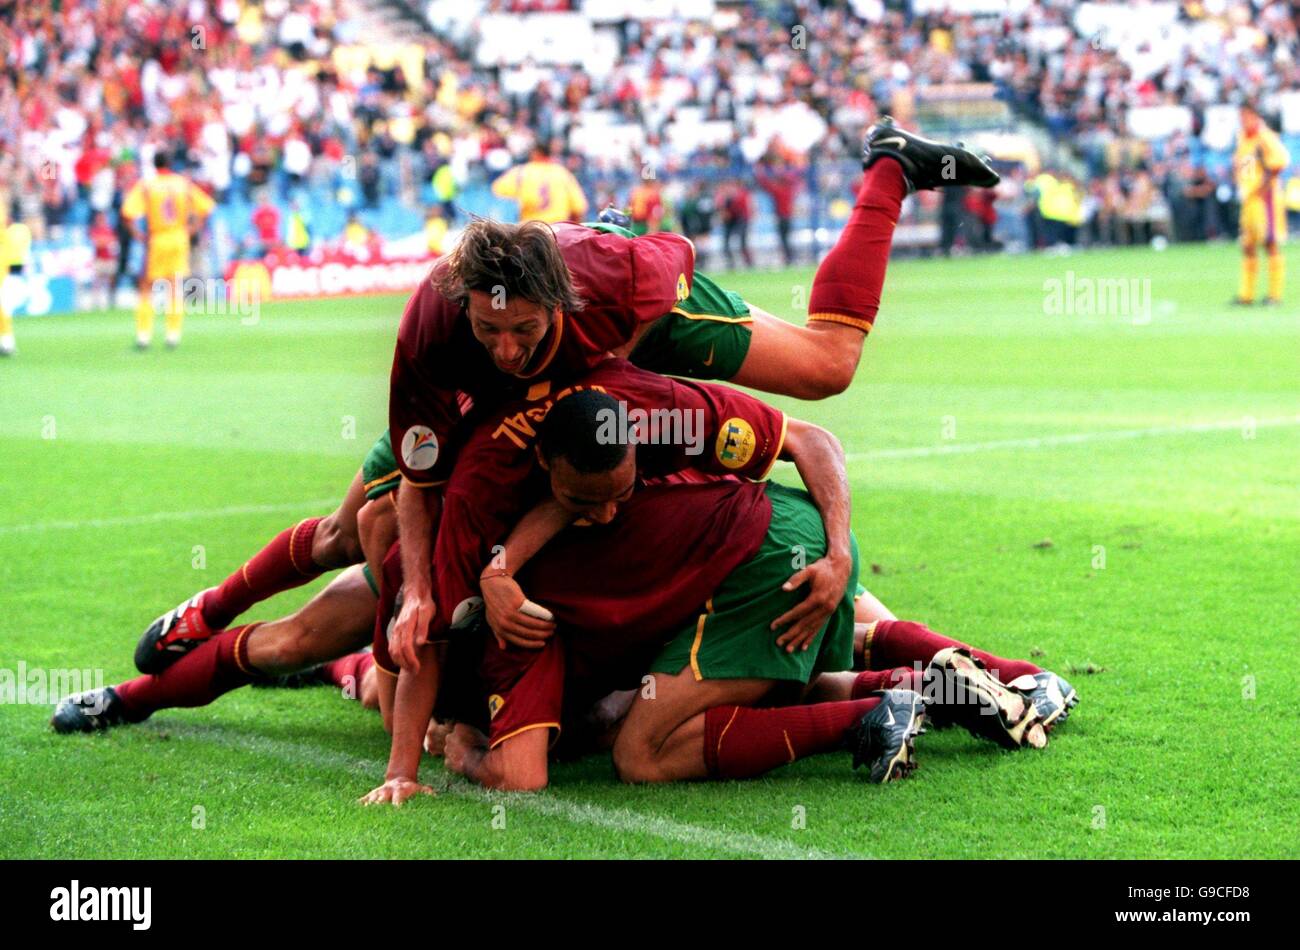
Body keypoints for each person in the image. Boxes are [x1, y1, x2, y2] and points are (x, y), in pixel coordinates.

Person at [121, 152, 215, 349]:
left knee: (146, 286)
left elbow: (127, 213)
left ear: (154, 165)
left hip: (158, 237)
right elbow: (206, 207)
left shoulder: (147, 185)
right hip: (179, 237)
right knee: (174, 287)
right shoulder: (183, 183)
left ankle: (143, 336)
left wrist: (138, 235)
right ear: (171, 164)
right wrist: (193, 228)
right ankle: (173, 335)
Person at [1232, 103, 1291, 306]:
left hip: (1265, 199)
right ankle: (1246, 295)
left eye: (1246, 116)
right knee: (1247, 245)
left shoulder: (1265, 137)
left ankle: (1274, 296)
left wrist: (1262, 187)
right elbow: (1245, 164)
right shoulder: (1242, 137)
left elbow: (1281, 161)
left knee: (1270, 243)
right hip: (1248, 199)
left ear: (1255, 116)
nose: (1243, 120)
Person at [491, 143, 589, 224]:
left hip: (529, 229)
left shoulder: (521, 171)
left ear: (535, 153)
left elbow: (497, 190)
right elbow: (579, 207)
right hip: (557, 229)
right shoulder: (562, 173)